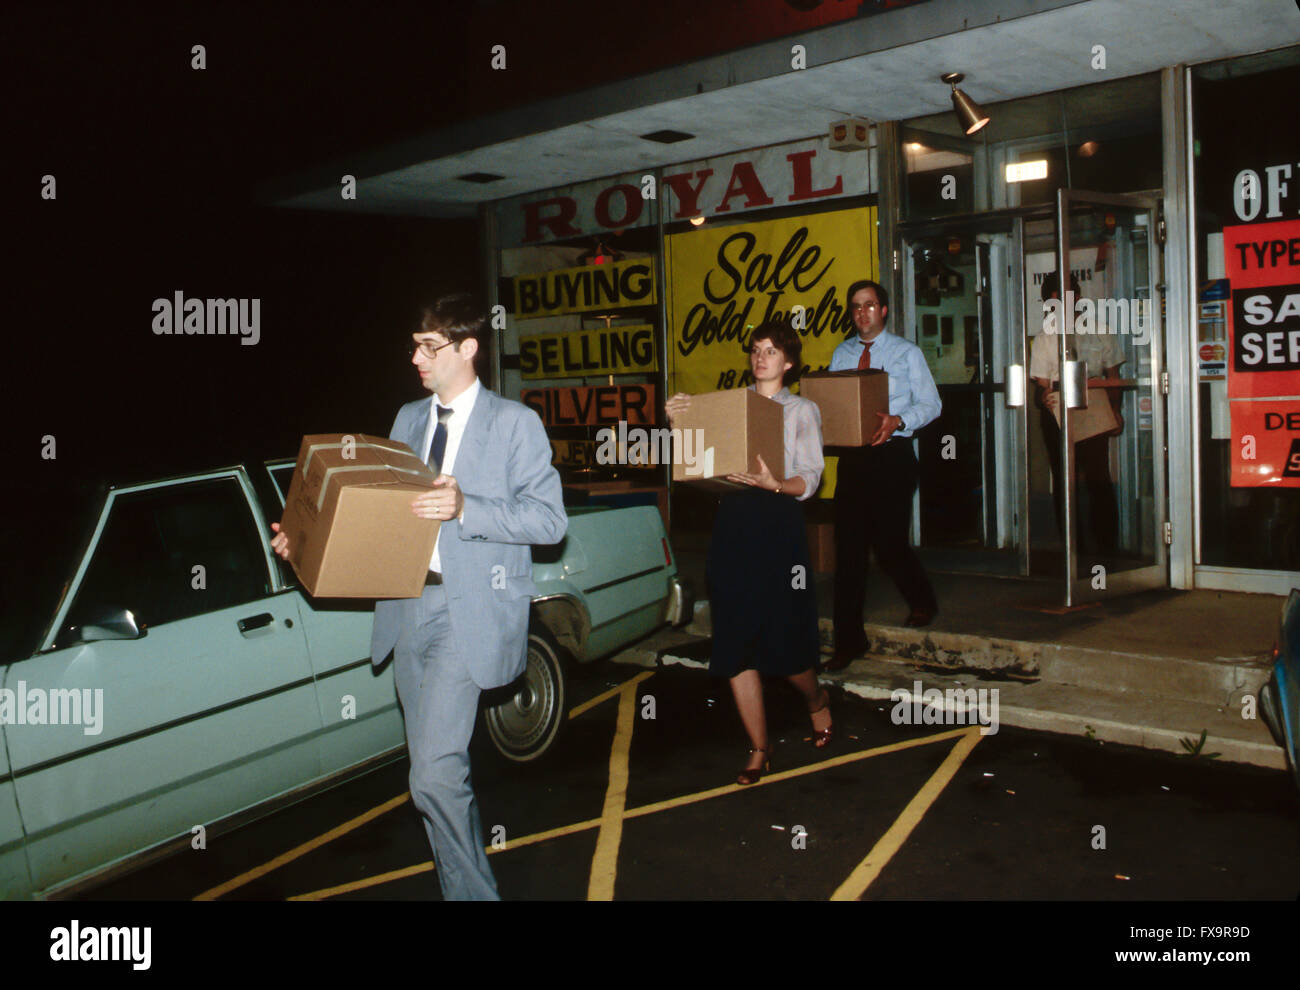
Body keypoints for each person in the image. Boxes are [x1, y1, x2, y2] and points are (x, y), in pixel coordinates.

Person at [271, 293, 566, 900]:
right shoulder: (408, 419)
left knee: (431, 776)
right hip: (408, 610)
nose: (415, 357)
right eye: (414, 345)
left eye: (429, 347)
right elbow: (378, 513)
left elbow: (549, 522)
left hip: (470, 612)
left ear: (468, 349)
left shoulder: (514, 424)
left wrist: (467, 508)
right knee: (435, 776)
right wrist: (304, 541)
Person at [666, 319, 831, 786]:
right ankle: (760, 747)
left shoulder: (801, 410)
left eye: (772, 350)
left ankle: (815, 699)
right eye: (756, 349)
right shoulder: (729, 404)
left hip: (777, 523)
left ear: (789, 361)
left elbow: (811, 478)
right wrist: (678, 419)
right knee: (736, 638)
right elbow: (697, 460)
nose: (761, 357)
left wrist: (776, 484)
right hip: (733, 526)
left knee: (785, 642)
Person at [823, 279, 942, 673]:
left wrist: (899, 420)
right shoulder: (841, 354)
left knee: (890, 545)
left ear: (884, 310)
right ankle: (848, 642)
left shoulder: (906, 353)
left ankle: (923, 600)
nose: (863, 313)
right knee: (849, 551)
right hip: (855, 461)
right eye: (856, 307)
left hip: (893, 455)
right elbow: (832, 403)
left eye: (870, 305)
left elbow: (932, 404)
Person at [1029, 271, 1124, 556]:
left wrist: (1116, 412)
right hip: (1058, 404)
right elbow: (1041, 385)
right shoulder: (1044, 338)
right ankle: (1074, 548)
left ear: (1078, 298)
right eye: (1053, 303)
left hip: (1092, 399)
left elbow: (1114, 375)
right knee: (1063, 477)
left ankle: (1107, 547)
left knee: (1098, 477)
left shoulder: (1099, 329)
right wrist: (1043, 397)